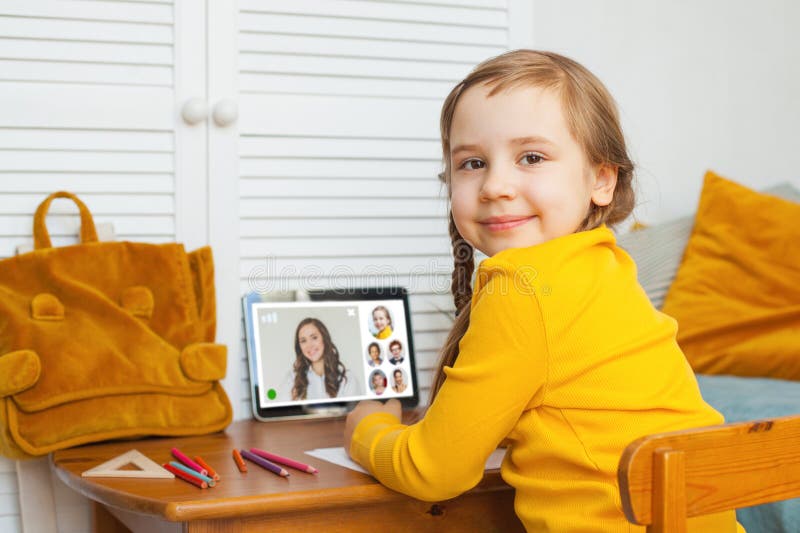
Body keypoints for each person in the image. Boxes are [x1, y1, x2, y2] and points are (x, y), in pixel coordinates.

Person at [344, 50, 743, 532]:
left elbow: (434, 471)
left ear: (601, 178)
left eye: (531, 157)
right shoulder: (605, 265)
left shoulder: (521, 288)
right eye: (472, 163)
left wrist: (364, 429)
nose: (495, 184)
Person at [279, 317, 357, 401]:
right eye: (303, 341)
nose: (309, 345)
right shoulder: (292, 378)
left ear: (324, 338)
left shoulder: (347, 378)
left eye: (314, 338)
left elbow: (355, 412)